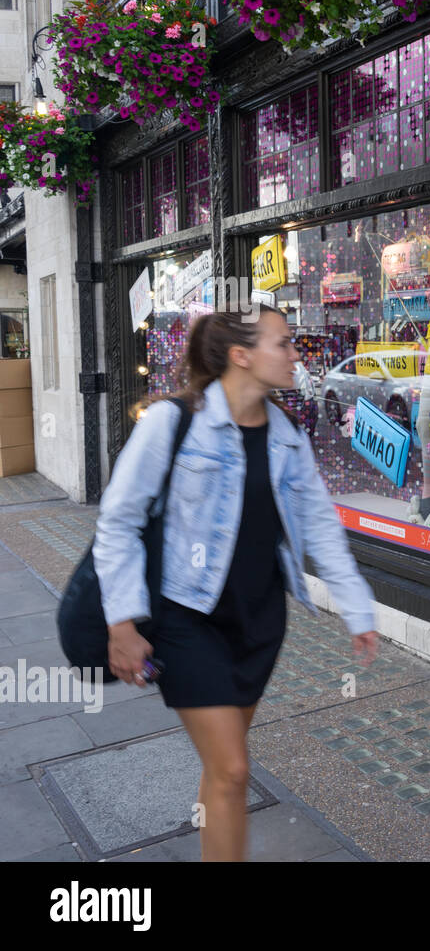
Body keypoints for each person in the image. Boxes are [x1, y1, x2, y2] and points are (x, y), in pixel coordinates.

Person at [94, 305, 380, 861]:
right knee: (233, 769)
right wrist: (121, 620)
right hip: (187, 620)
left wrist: (355, 606)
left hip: (260, 623)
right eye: (285, 343)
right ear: (241, 355)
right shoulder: (171, 423)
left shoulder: (288, 433)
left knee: (222, 769)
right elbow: (118, 520)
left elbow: (320, 523)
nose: (297, 354)